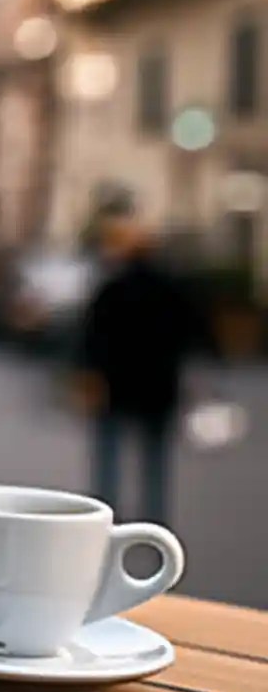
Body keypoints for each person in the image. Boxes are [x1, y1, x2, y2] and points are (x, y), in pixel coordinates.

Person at [75, 203, 206, 525]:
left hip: (115, 384)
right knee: (155, 457)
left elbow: (92, 336)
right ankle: (155, 518)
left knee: (109, 455)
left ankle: (103, 517)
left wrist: (88, 374)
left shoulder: (112, 287)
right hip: (158, 385)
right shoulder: (172, 287)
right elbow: (192, 331)